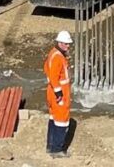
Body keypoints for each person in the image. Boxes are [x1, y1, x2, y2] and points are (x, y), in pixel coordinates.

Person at [44, 30, 73, 158]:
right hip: (59, 93)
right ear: (60, 43)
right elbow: (54, 76)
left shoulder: (53, 53)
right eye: (66, 44)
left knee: (53, 118)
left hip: (53, 91)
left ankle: (50, 146)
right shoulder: (57, 57)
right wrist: (59, 93)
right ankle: (57, 149)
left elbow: (46, 68)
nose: (68, 46)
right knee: (61, 120)